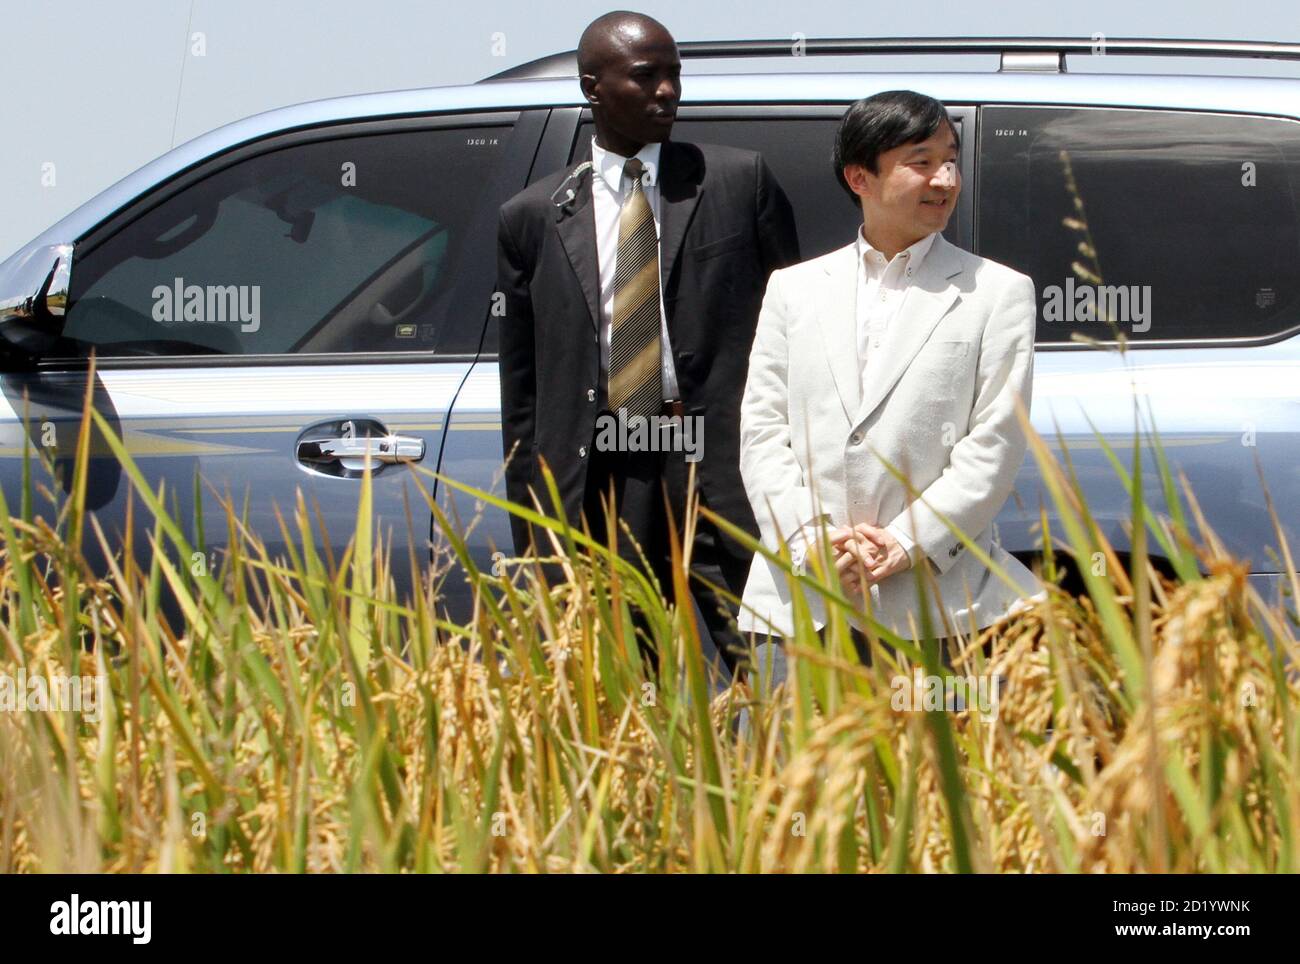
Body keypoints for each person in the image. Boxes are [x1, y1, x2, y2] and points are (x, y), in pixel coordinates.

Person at [495, 11, 799, 670]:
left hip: (716, 455)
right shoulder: (533, 217)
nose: (669, 91)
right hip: (607, 459)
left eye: (674, 75)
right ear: (593, 87)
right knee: (625, 669)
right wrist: (535, 521)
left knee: (769, 662)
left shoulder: (738, 183)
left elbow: (795, 337)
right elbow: (522, 393)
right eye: (646, 76)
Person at [738, 89, 1043, 685]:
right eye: (921, 161)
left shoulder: (998, 292)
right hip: (800, 601)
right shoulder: (793, 289)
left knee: (939, 775)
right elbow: (762, 432)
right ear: (861, 177)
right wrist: (812, 540)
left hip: (936, 604)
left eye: (951, 160)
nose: (945, 179)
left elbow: (995, 446)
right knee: (787, 775)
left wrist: (905, 542)